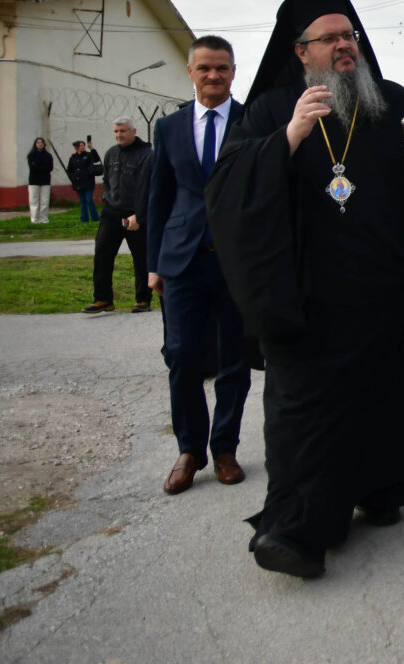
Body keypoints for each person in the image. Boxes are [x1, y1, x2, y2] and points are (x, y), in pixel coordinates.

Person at [206, 0, 404, 579]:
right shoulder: (267, 110)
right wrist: (287, 137)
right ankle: (294, 530)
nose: (346, 46)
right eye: (331, 38)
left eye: (351, 36)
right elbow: (227, 190)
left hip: (382, 289)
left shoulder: (387, 102)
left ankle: (380, 489)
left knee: (381, 398)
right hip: (308, 297)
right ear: (300, 51)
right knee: (304, 415)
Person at [145, 36, 249, 496]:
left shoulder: (252, 122)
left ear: (232, 71)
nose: (213, 76)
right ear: (190, 72)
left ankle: (225, 447)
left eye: (222, 68)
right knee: (183, 355)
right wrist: (153, 264)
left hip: (236, 262)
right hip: (182, 261)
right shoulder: (168, 128)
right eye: (205, 68)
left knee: (234, 360)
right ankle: (190, 450)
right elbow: (158, 199)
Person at [83, 118, 152, 314]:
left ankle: (143, 299)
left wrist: (139, 215)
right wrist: (106, 196)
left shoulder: (146, 155)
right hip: (111, 213)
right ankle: (103, 299)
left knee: (141, 258)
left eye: (122, 131)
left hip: (135, 215)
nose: (119, 135)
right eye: (116, 131)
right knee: (102, 254)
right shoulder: (111, 153)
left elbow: (149, 188)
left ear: (133, 131)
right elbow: (106, 179)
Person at [66, 140, 101, 222]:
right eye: (81, 145)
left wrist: (91, 148)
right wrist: (72, 177)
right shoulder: (73, 157)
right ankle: (84, 218)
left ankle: (95, 218)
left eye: (83, 145)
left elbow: (97, 159)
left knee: (89, 200)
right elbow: (70, 169)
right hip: (78, 182)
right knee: (82, 202)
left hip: (88, 181)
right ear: (76, 147)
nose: (83, 147)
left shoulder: (88, 155)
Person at [26, 138, 54, 223]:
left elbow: (50, 168)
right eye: (38, 142)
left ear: (44, 144)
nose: (40, 144)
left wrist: (40, 166)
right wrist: (42, 167)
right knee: (34, 200)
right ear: (35, 144)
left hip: (45, 180)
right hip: (34, 180)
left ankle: (44, 218)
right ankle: (34, 219)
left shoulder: (48, 155)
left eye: (41, 142)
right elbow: (33, 167)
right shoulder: (31, 155)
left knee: (45, 200)